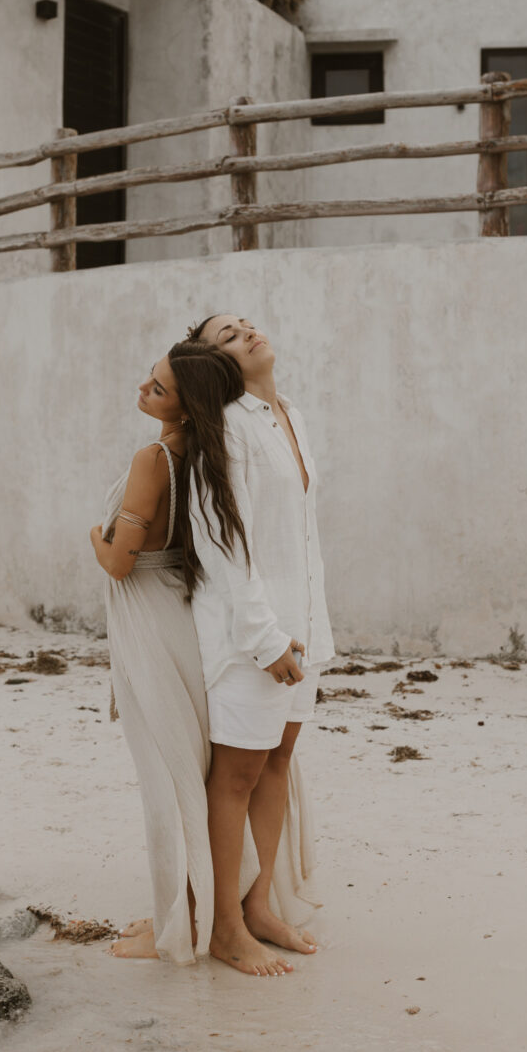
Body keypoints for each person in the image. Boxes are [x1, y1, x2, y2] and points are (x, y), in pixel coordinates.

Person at [90, 344, 316, 971]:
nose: (144, 387)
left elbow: (119, 559)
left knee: (170, 776)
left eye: (157, 388)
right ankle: (204, 908)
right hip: (183, 616)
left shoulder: (154, 458)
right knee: (197, 765)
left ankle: (190, 918)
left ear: (187, 410)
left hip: (150, 618)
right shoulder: (200, 459)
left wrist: (92, 536)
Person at [184, 313, 334, 978]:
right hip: (249, 635)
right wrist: (263, 637)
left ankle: (259, 904)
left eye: (243, 322)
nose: (245, 330)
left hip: (302, 624)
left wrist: (310, 628)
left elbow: (297, 534)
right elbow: (221, 544)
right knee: (237, 773)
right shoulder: (225, 426)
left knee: (278, 761)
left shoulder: (290, 415)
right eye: (225, 335)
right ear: (213, 364)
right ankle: (223, 927)